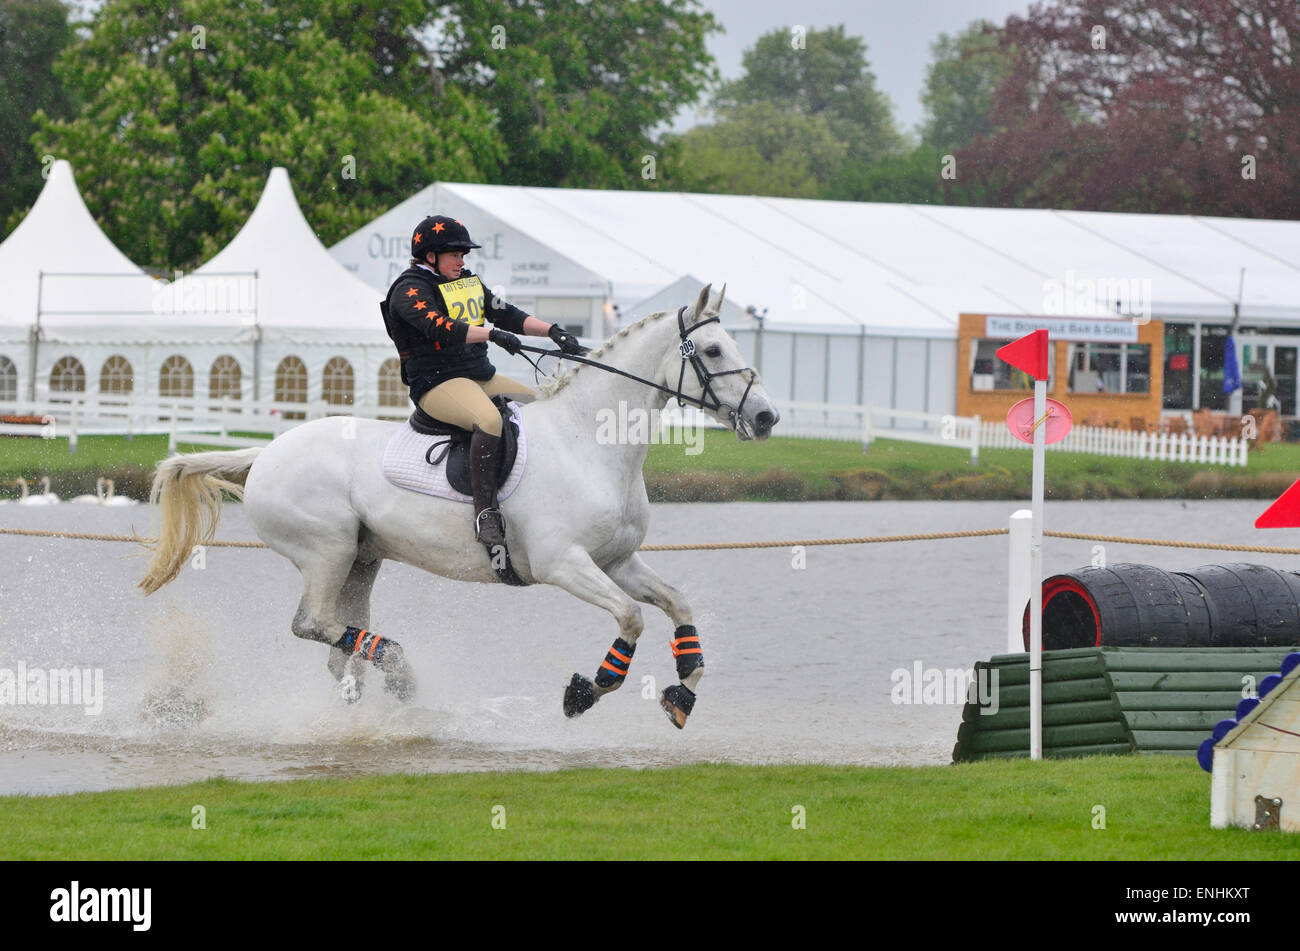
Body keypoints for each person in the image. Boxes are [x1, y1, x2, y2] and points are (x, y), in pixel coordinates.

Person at [382, 215, 588, 551]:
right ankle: (486, 512)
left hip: (480, 375)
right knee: (489, 421)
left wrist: (553, 330)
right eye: (455, 254)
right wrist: (491, 334)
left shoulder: (466, 281)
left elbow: (505, 314)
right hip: (437, 382)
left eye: (464, 255)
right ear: (430, 255)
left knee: (541, 409)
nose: (462, 261)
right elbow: (441, 327)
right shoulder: (409, 290)